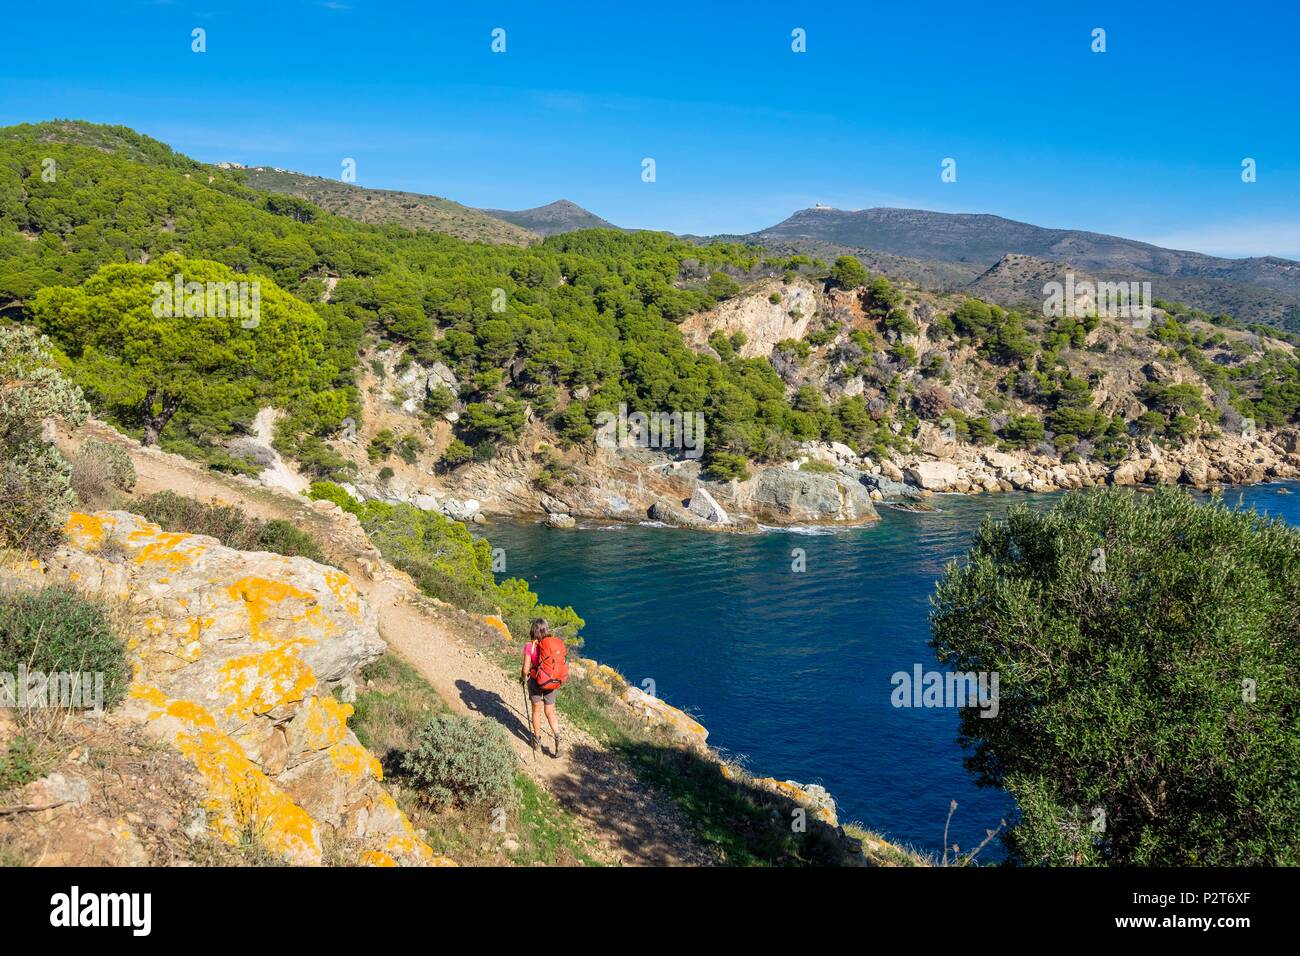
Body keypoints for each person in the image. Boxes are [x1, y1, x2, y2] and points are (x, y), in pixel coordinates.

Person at [522, 618, 562, 757]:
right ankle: (557, 736)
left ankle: (537, 740)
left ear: (533, 630)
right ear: (546, 630)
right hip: (551, 681)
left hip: (535, 681)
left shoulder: (530, 646)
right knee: (550, 711)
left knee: (536, 710)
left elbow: (526, 669)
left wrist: (523, 677)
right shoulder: (551, 645)